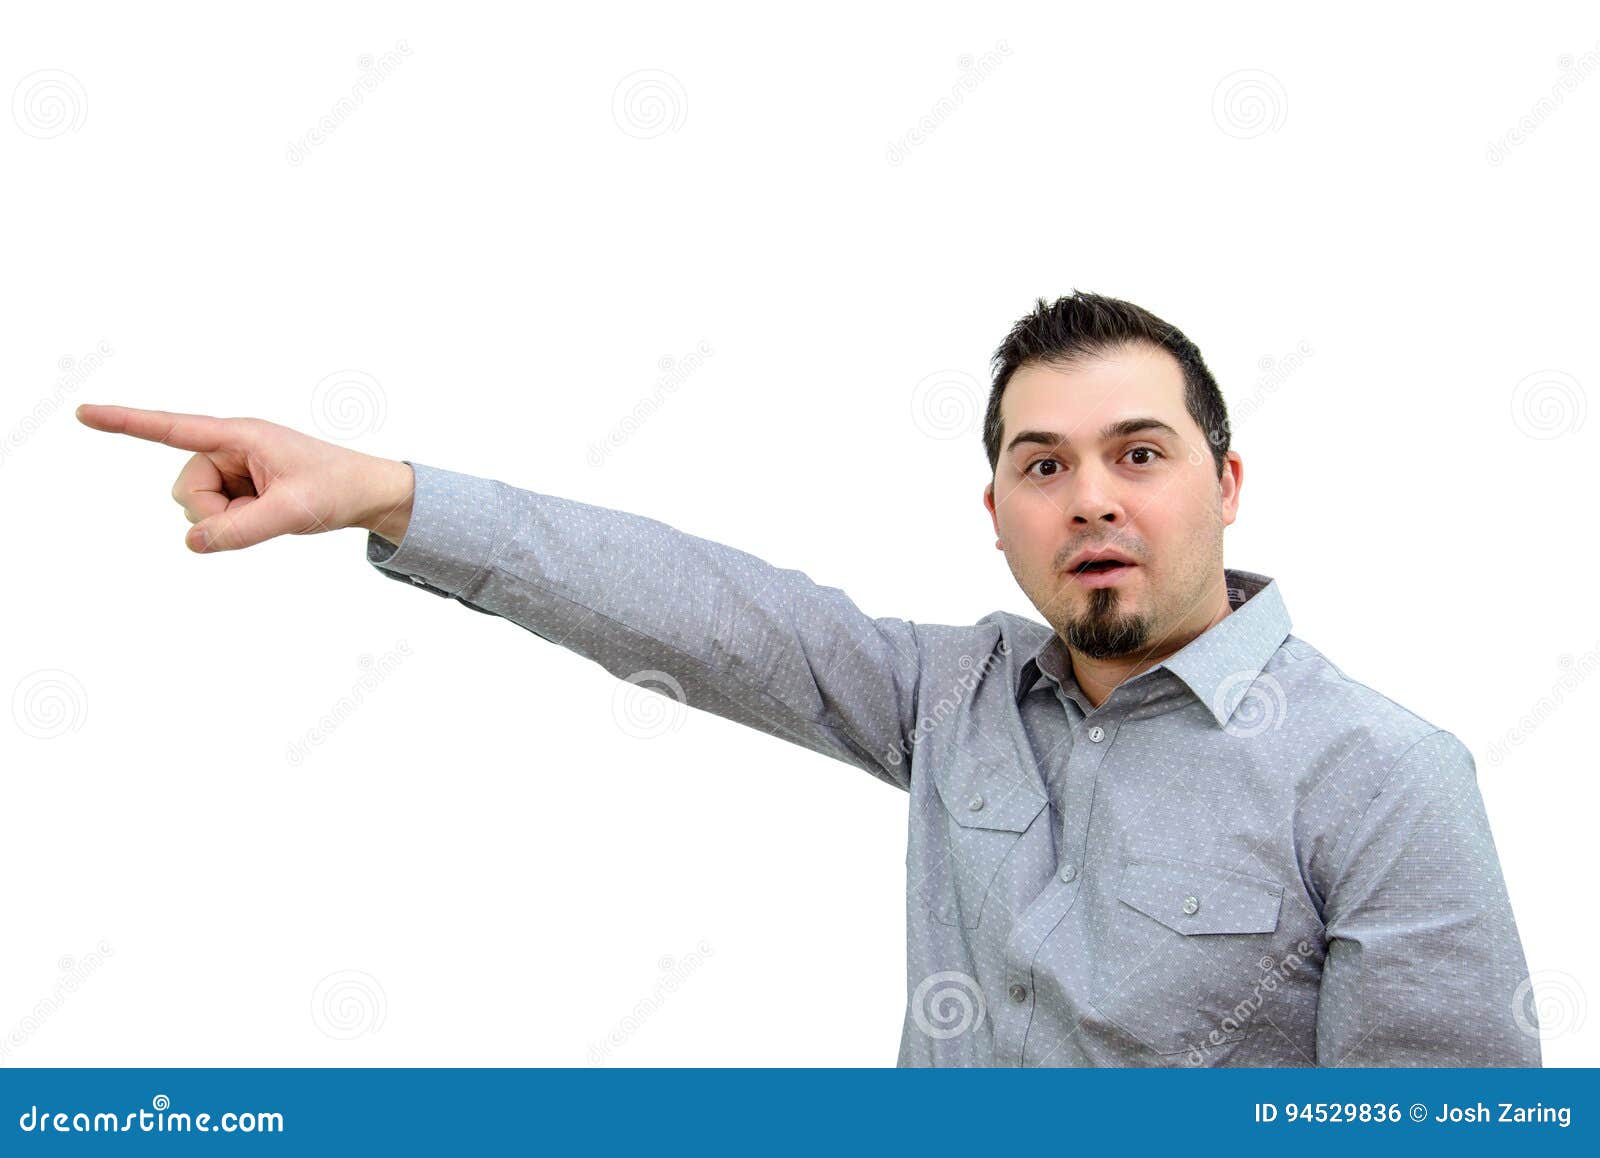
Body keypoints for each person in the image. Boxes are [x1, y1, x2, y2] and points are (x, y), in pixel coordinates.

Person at [75, 290, 1540, 1067]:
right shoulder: (953, 698)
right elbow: (715, 614)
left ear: (1226, 482)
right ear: (998, 514)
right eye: (1044, 465)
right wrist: (390, 491)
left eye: (1138, 454)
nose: (1092, 497)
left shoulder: (1386, 776)